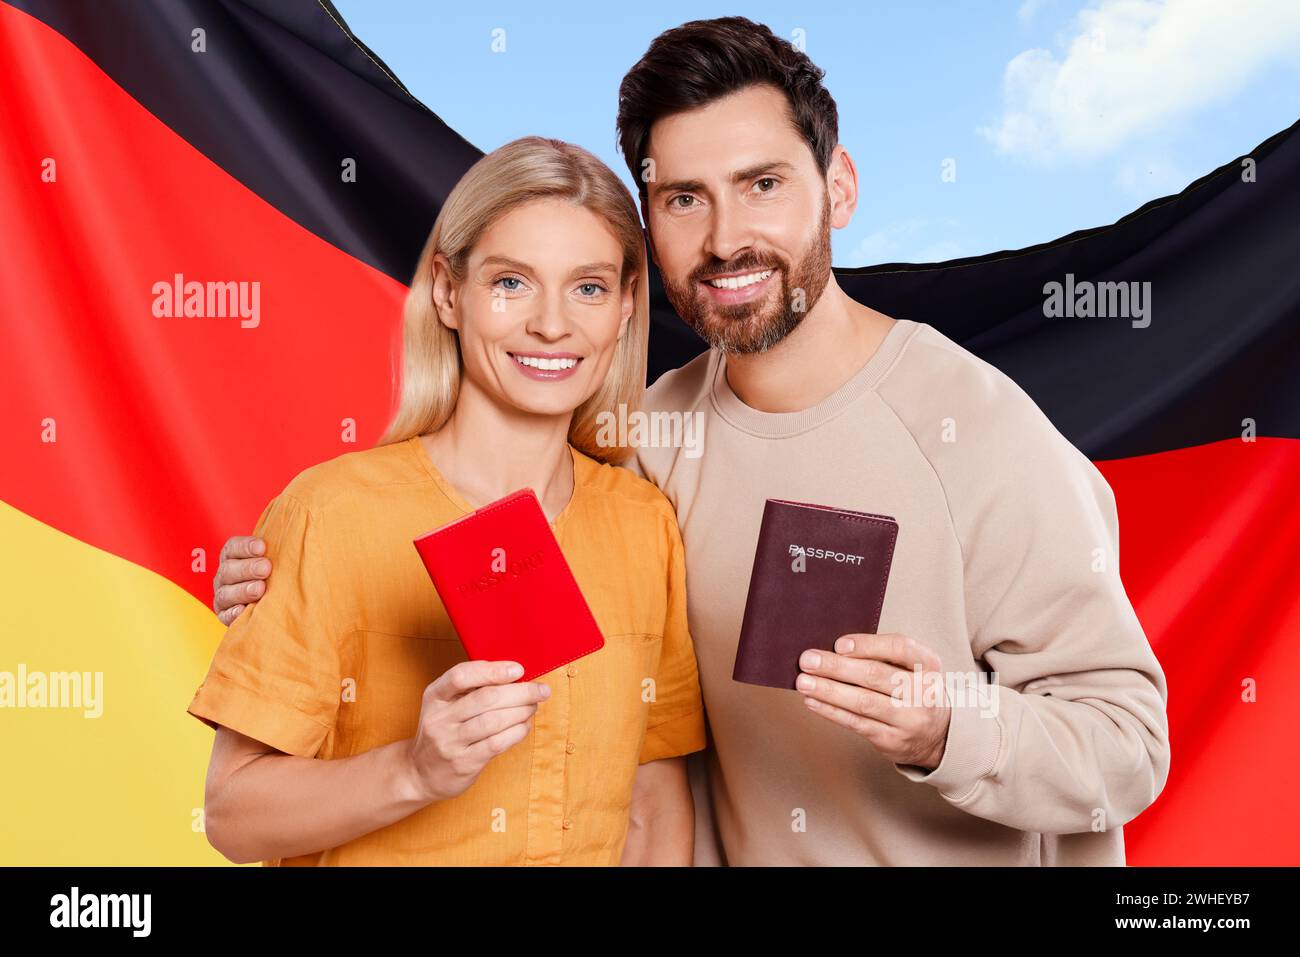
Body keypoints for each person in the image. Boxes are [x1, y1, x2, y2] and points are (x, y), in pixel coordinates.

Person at [214, 17, 1170, 866]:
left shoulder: (980, 429)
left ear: (838, 187)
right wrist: (287, 571)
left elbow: (1129, 746)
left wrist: (949, 728)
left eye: (762, 184)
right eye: (683, 199)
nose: (725, 239)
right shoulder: (645, 446)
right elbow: (468, 511)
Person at [189, 136, 706, 866]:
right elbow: (232, 815)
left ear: (625, 308)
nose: (552, 324)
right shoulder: (332, 513)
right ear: (446, 290)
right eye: (511, 282)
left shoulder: (645, 525)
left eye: (588, 287)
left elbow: (652, 804)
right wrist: (415, 771)